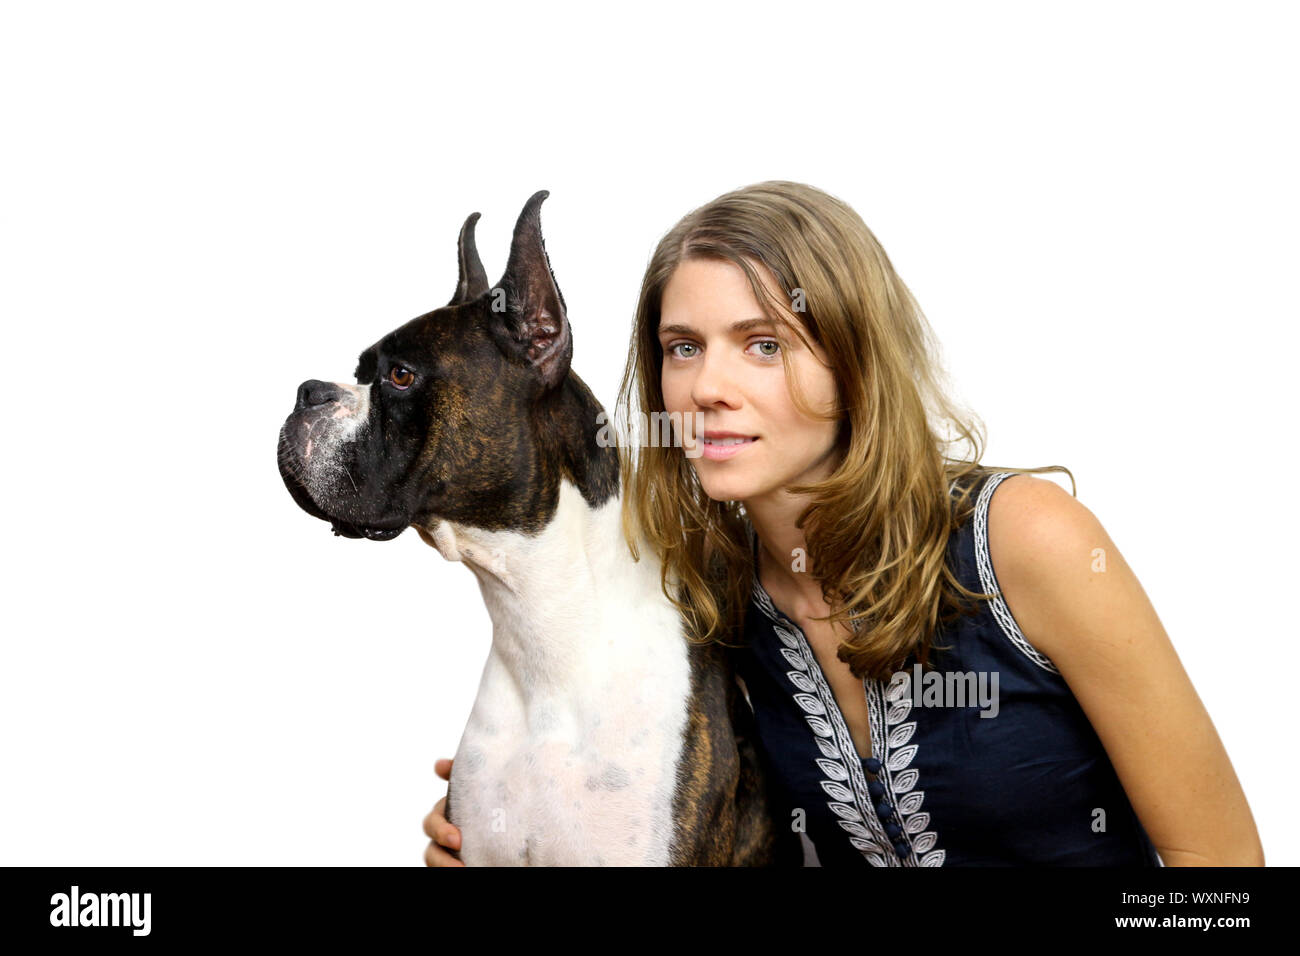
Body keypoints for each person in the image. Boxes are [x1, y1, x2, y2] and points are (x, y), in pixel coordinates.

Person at [425, 181, 1264, 866]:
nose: (708, 385)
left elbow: (1222, 877)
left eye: (762, 344)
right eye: (683, 347)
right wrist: (506, 828)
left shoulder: (1023, 542)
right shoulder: (708, 591)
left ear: (854, 356)